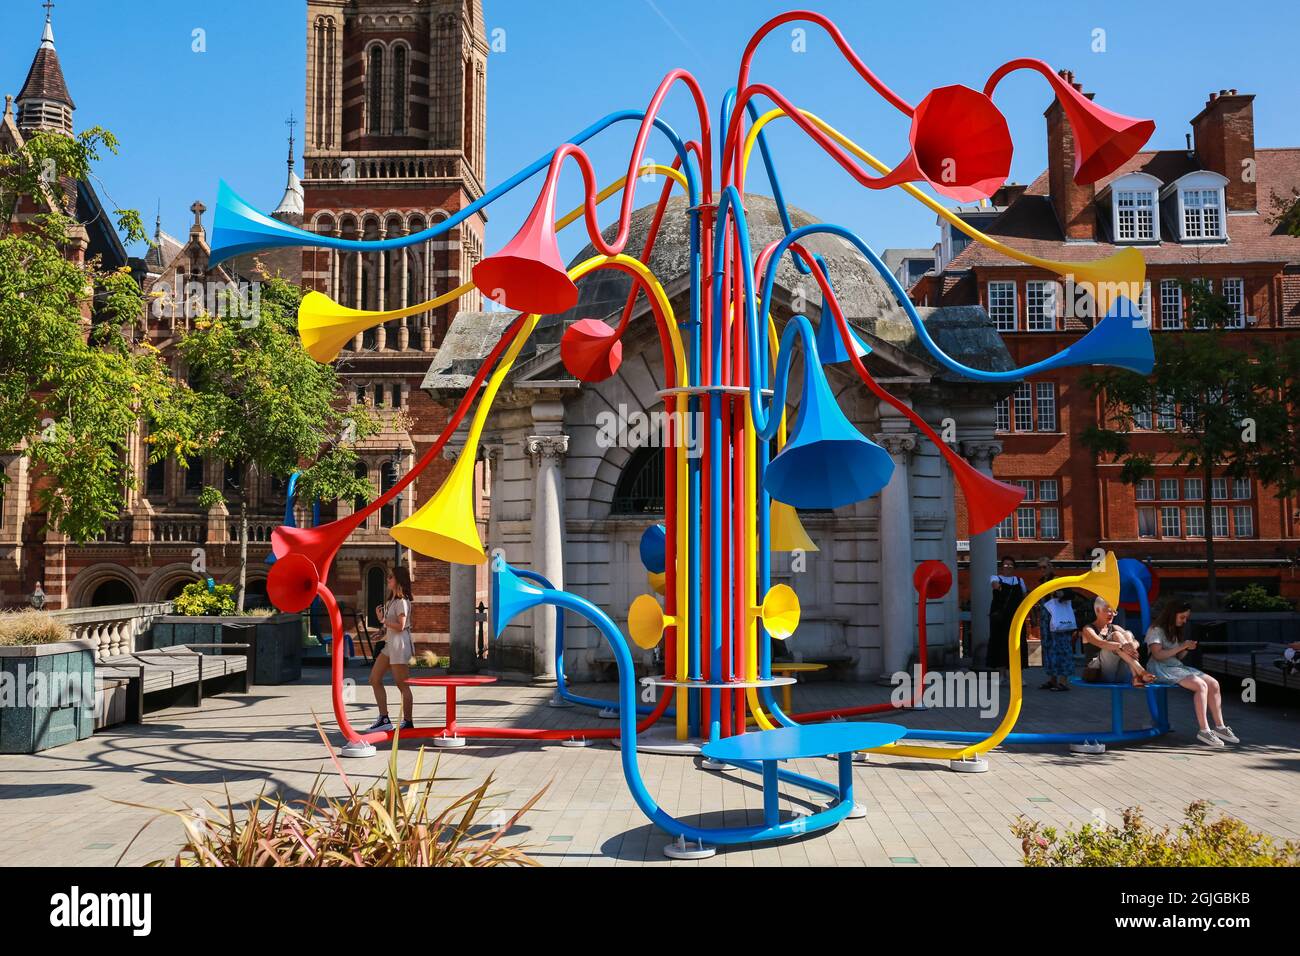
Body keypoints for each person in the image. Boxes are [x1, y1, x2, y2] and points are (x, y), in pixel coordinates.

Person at [1146, 600, 1239, 748]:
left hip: (1175, 666)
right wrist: (1181, 646)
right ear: (1172, 614)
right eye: (1182, 617)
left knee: (1213, 684)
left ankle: (1220, 727)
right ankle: (1204, 730)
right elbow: (1158, 655)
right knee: (1200, 685)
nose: (1184, 621)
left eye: (1186, 617)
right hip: (1159, 668)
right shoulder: (1156, 630)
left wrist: (1186, 648)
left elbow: (1177, 657)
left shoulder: (1174, 630)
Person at [364, 566, 416, 733]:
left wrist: (383, 620)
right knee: (374, 678)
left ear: (398, 580)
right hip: (390, 645)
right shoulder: (392, 601)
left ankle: (408, 722)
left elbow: (401, 626)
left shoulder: (402, 602)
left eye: (391, 577)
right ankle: (384, 718)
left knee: (402, 685)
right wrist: (381, 632)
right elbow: (392, 627)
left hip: (399, 646)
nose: (388, 580)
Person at [1081, 596, 1154, 688]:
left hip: (1119, 674)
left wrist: (1130, 645)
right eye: (1108, 610)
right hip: (1097, 673)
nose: (1111, 614)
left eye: (1114, 611)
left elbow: (1137, 642)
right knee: (1116, 637)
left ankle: (1136, 676)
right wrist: (1122, 646)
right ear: (1097, 610)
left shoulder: (1114, 627)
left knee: (1127, 634)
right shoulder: (1088, 629)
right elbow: (1101, 643)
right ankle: (1139, 672)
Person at [987, 556, 1027, 674]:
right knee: (1000, 644)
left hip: (1015, 616)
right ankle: (1002, 674)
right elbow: (995, 586)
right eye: (1005, 564)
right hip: (1000, 618)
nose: (1008, 566)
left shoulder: (1020, 581)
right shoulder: (995, 577)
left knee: (1017, 644)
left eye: (1010, 564)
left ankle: (1017, 674)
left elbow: (1024, 597)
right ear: (1001, 566)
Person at [1038, 582, 1078, 691]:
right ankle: (1053, 680)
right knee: (1048, 650)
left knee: (1062, 650)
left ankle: (1063, 682)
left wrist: (1061, 594)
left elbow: (1071, 594)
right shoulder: (1042, 582)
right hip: (1047, 624)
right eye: (1040, 567)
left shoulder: (1058, 580)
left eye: (1044, 567)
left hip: (1060, 626)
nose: (1042, 570)